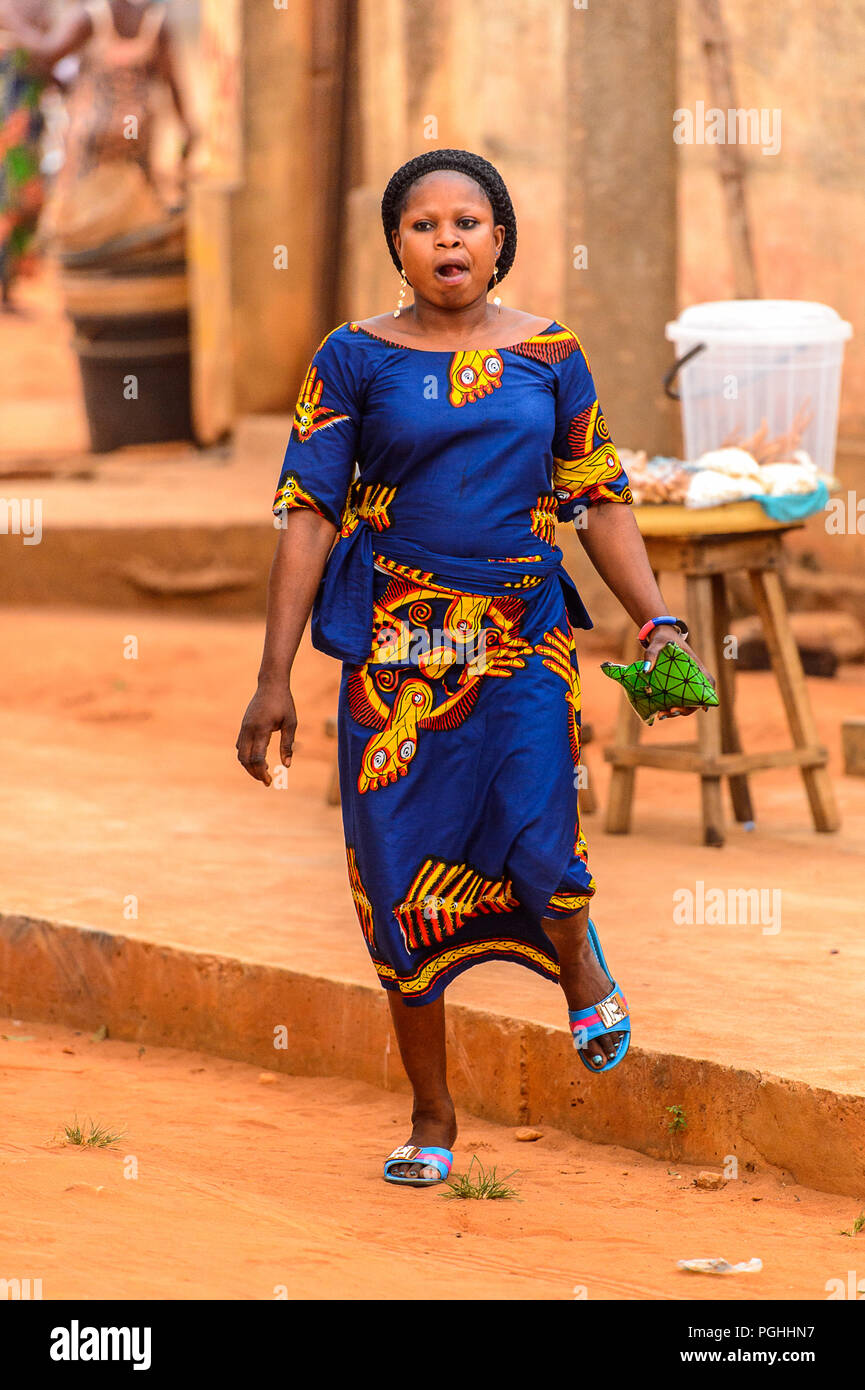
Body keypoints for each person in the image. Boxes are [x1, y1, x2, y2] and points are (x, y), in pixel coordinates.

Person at [236, 149, 716, 1186]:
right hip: (398, 642)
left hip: (520, 637)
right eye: (424, 224)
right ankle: (432, 1115)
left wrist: (656, 622)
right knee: (398, 868)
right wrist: (274, 677)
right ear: (395, 246)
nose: (448, 239)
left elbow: (597, 492)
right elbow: (308, 513)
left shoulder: (552, 353)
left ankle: (578, 959)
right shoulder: (350, 358)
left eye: (468, 221)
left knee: (541, 825)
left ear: (500, 238)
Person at [0, 0, 196, 247]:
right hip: (133, 128)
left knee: (83, 207)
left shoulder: (91, 17)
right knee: (132, 207)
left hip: (93, 130)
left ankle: (89, 263)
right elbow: (172, 83)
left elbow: (47, 53)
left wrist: (13, 23)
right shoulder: (154, 21)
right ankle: (128, 259)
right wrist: (187, 127)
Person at [0, 0, 53, 309]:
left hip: (28, 124)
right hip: (12, 126)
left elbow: (47, 57)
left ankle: (8, 286)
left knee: (23, 200)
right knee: (10, 200)